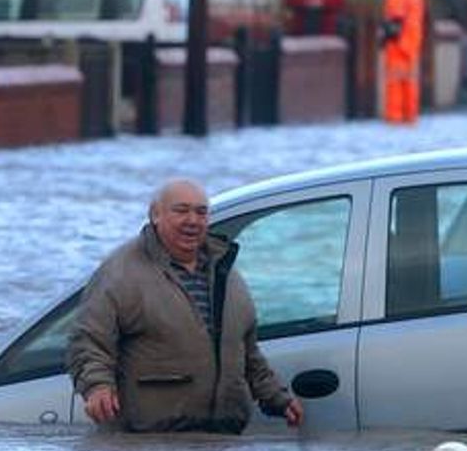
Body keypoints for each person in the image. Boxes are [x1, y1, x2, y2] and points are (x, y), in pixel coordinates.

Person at [67, 179, 303, 434]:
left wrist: (277, 398)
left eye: (201, 212)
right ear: (155, 215)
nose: (192, 220)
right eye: (181, 210)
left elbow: (247, 353)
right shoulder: (121, 271)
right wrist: (97, 386)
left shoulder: (226, 272)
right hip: (147, 443)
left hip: (221, 440)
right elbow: (89, 339)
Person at [381, 0, 425, 124]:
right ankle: (410, 114)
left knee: (395, 81)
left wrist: (386, 36)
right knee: (410, 81)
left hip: (398, 43)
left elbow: (395, 16)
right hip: (412, 42)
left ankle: (395, 116)